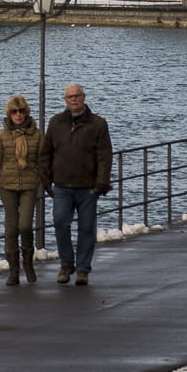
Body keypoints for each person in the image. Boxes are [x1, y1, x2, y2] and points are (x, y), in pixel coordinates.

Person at [42, 82, 112, 286]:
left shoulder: (98, 124)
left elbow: (105, 156)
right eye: (70, 96)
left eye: (77, 95)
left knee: (86, 228)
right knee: (60, 222)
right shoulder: (56, 122)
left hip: (88, 186)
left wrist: (102, 182)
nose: (73, 99)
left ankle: (82, 269)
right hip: (62, 185)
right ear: (65, 100)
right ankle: (66, 263)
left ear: (84, 97)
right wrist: (45, 179)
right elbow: (46, 153)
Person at [0, 94, 49, 285]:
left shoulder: (37, 135)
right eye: (14, 111)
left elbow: (44, 161)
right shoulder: (2, 136)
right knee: (11, 229)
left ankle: (28, 262)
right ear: (9, 114)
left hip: (29, 186)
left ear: (26, 112)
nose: (18, 115)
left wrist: (49, 183)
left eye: (21, 111)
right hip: (7, 186)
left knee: (25, 225)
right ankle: (14, 271)